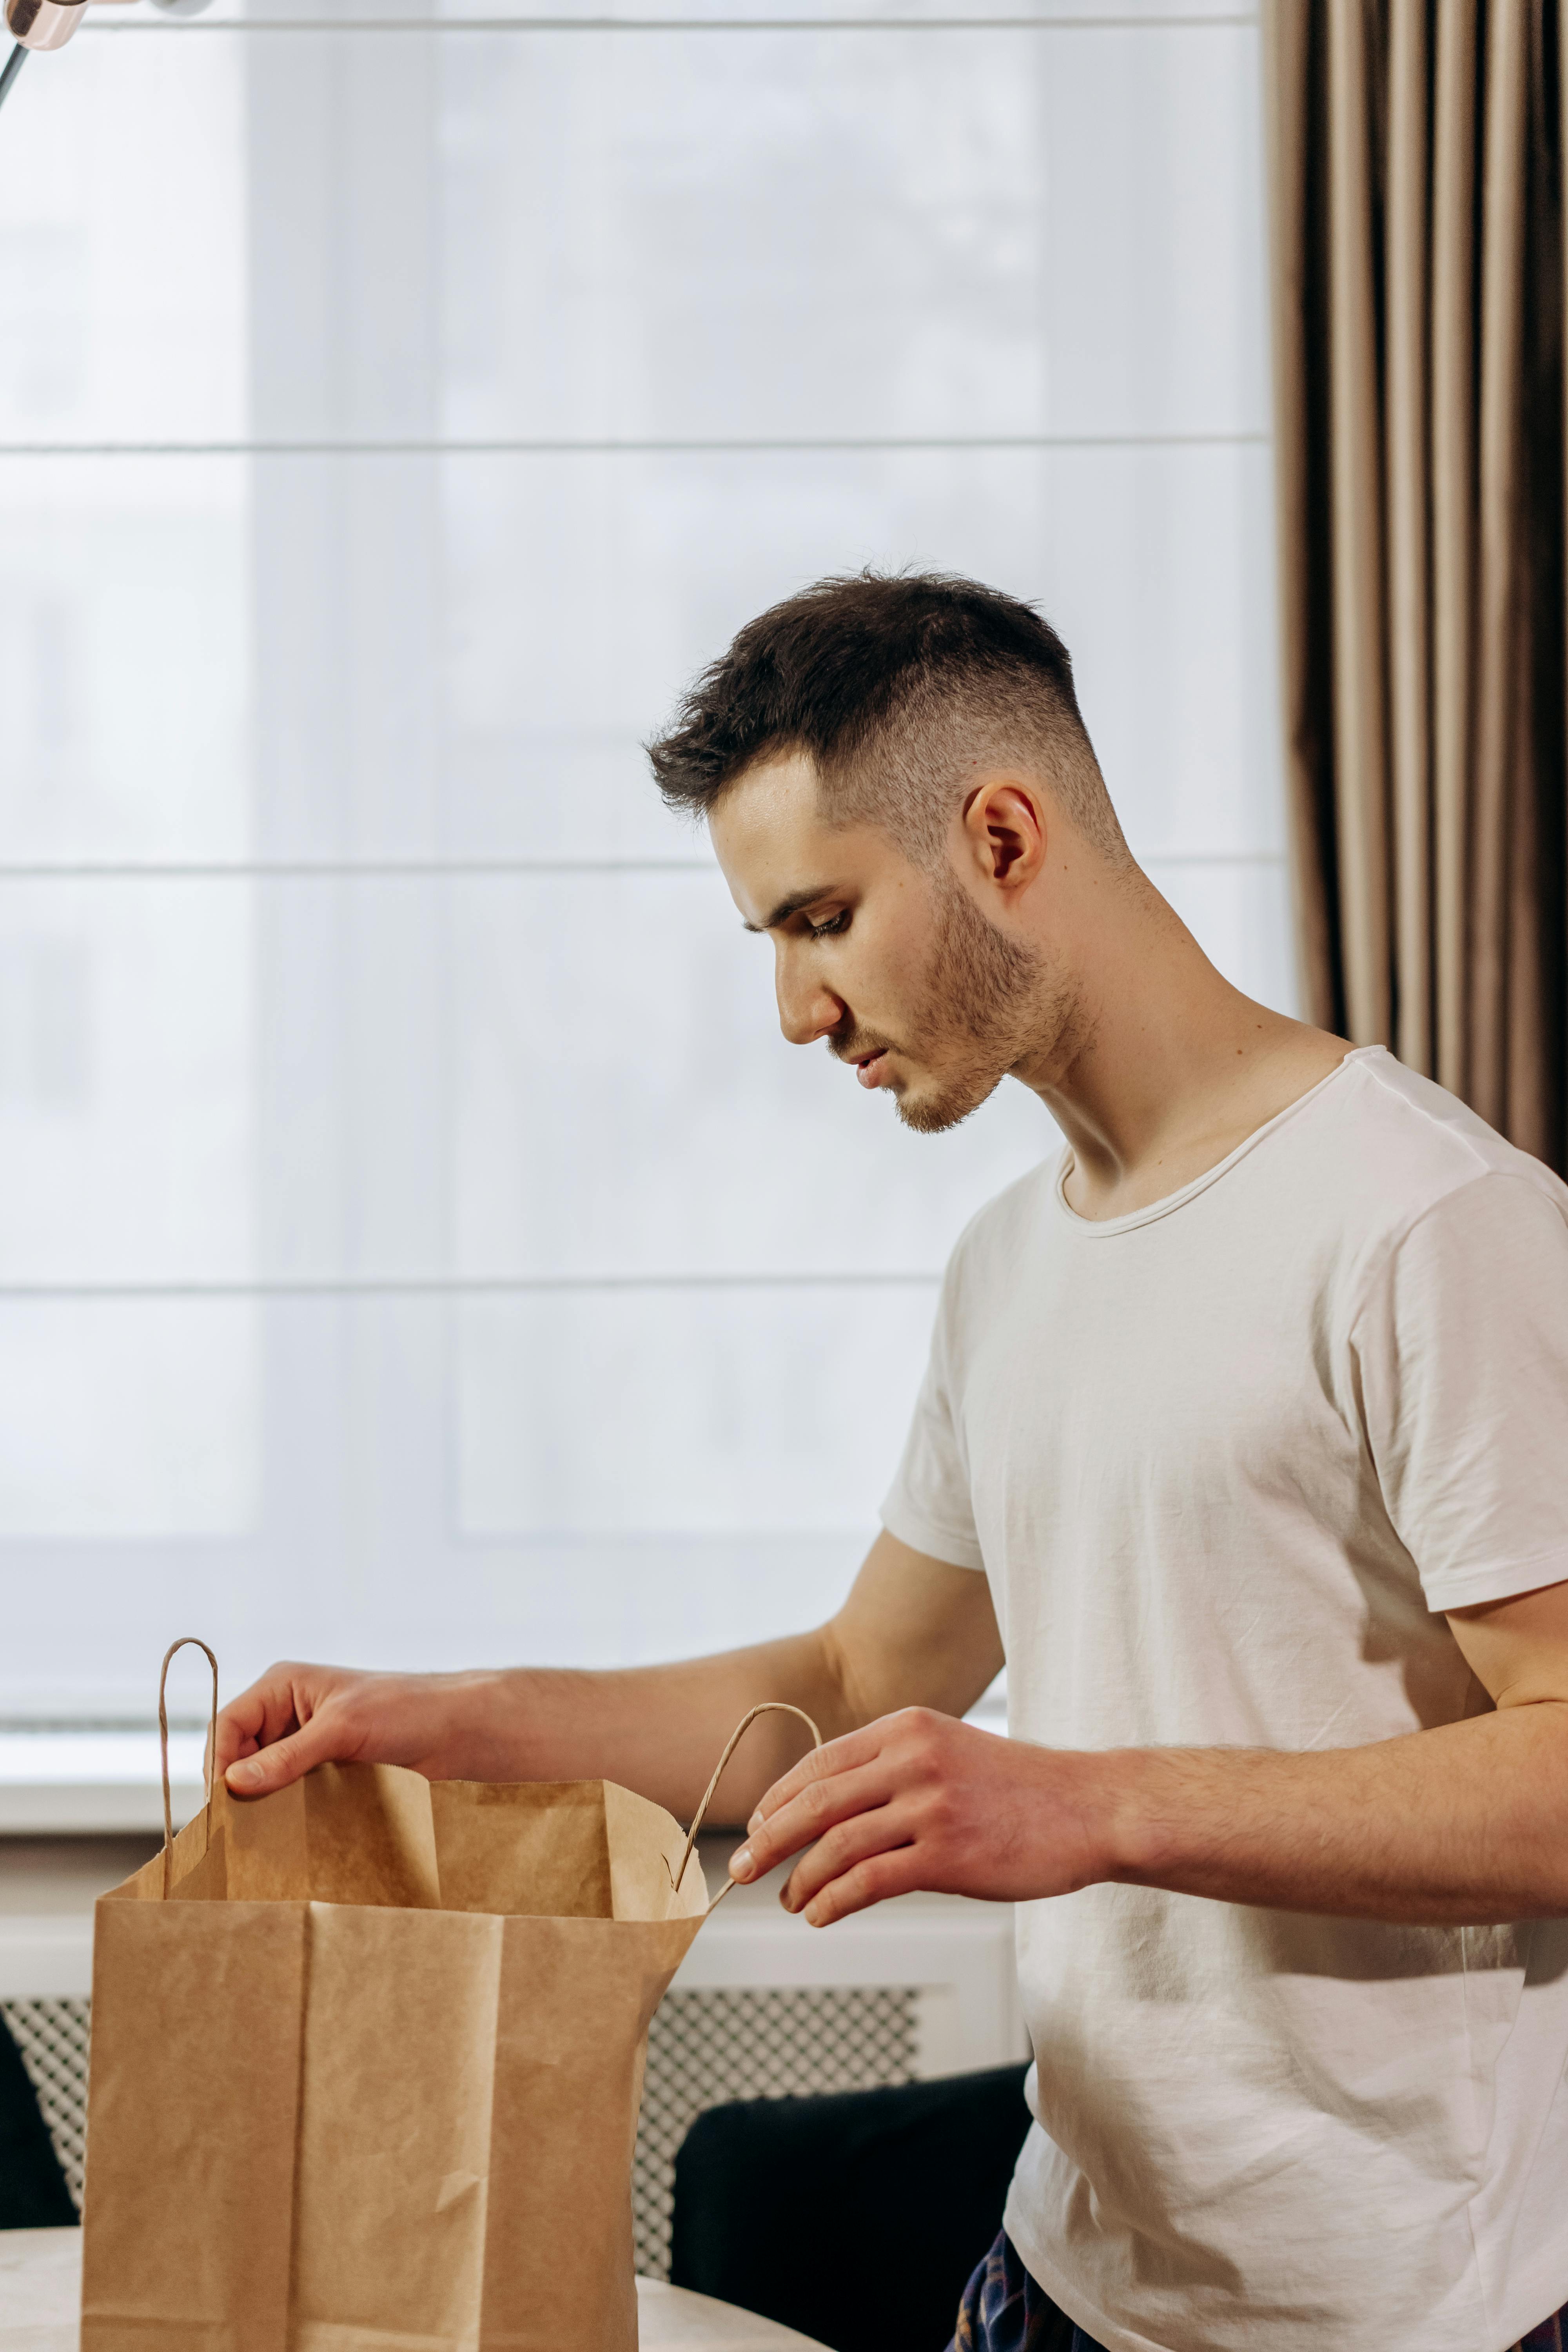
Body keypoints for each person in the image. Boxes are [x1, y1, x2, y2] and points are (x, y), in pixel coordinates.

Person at [214, 572, 1568, 2352]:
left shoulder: (1427, 1219)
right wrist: (439, 1722)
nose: (794, 1010)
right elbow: (863, 1681)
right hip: (1059, 2276)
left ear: (1002, 834)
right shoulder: (1012, 1261)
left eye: (823, 919)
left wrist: (1083, 1804)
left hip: (1395, 2319)